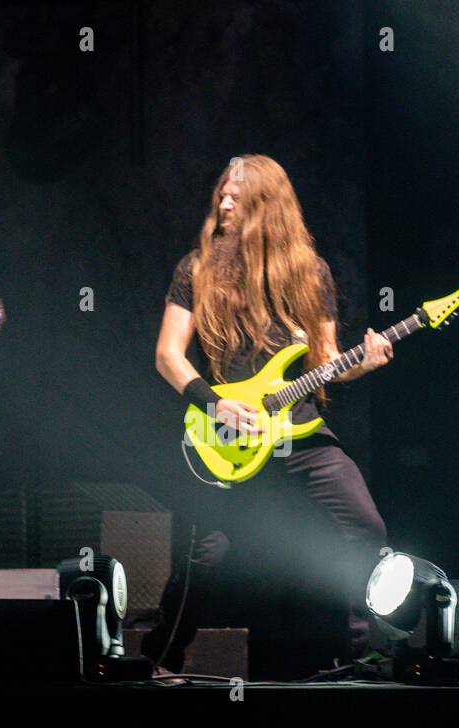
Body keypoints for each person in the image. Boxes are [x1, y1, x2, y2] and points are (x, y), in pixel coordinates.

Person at [145, 155, 390, 679]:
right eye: (222, 194)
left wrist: (361, 364)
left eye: (236, 195)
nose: (223, 202)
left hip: (297, 429)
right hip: (227, 431)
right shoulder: (196, 268)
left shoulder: (310, 272)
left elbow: (326, 363)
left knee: (365, 526)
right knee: (206, 554)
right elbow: (168, 354)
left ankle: (357, 652)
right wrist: (217, 404)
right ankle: (160, 657)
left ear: (267, 203)